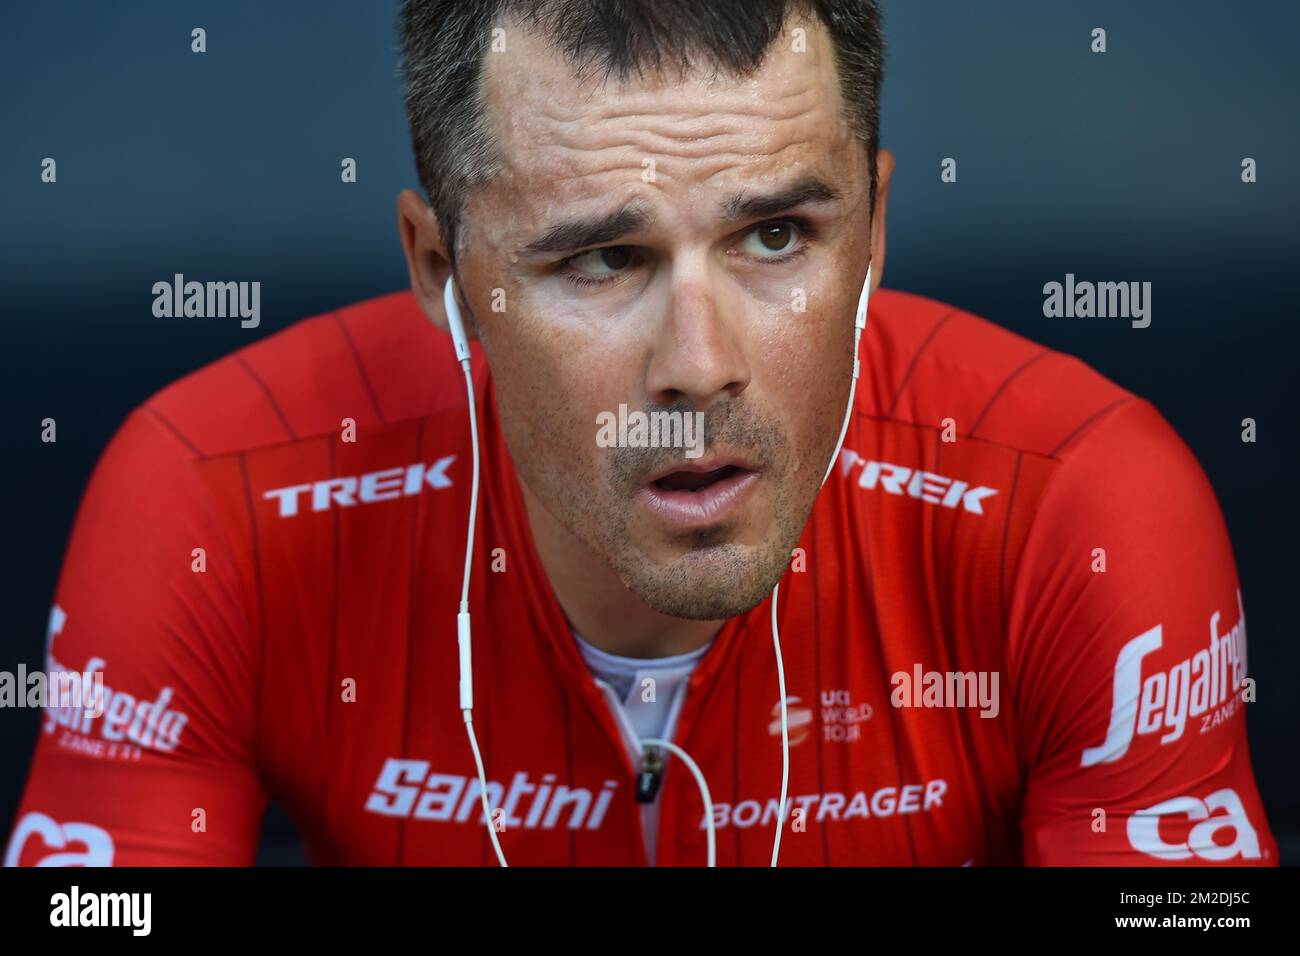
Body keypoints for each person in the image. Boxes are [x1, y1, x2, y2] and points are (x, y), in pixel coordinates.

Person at [5, 0, 1276, 866]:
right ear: (446, 273)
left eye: (776, 236)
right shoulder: (211, 496)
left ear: (875, 234)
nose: (701, 366)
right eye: (602, 259)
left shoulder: (1079, 502)